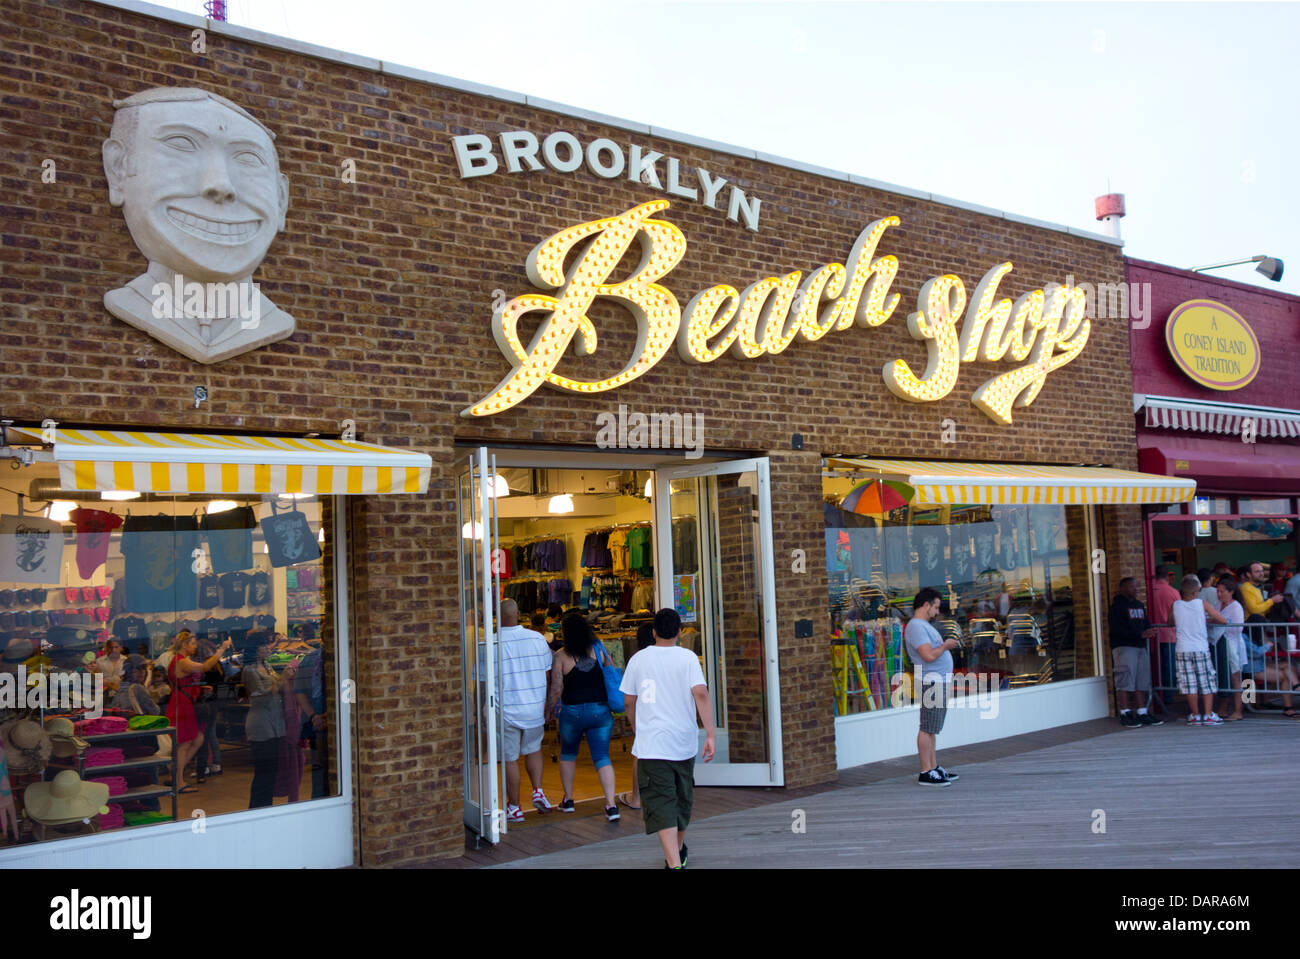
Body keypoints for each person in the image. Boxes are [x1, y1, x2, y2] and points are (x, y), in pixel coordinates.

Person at [100, 87, 294, 364]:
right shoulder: (130, 303)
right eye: (181, 144)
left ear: (281, 199)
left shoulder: (270, 321)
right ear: (118, 169)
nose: (220, 185)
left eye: (248, 159)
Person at [618, 608, 715, 869]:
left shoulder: (638, 659)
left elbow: (628, 700)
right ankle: (675, 862)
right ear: (680, 632)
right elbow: (701, 694)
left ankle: (676, 854)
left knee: (662, 803)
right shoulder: (688, 658)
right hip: (683, 743)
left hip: (651, 745)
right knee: (682, 801)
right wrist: (710, 734)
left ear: (653, 632)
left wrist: (637, 727)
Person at [547, 613, 618, 821]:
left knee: (568, 754)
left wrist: (550, 710)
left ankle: (568, 800)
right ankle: (611, 805)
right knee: (602, 757)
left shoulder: (560, 656)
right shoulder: (598, 648)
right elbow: (611, 671)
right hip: (600, 711)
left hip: (572, 712)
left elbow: (557, 689)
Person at [496, 599, 555, 821]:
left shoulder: (492, 642)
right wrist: (548, 703)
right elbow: (548, 674)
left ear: (498, 616)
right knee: (533, 748)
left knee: (510, 758)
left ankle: (514, 807)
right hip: (534, 707)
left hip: (507, 708)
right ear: (519, 613)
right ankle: (538, 789)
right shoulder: (537, 638)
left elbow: (483, 682)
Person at [906, 587, 961, 785]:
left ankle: (933, 767)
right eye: (935, 607)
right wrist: (945, 646)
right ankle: (925, 771)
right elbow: (927, 655)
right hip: (931, 680)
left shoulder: (922, 626)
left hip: (938, 680)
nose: (937, 612)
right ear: (926, 605)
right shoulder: (916, 627)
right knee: (927, 726)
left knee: (933, 728)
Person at [165, 630, 232, 792]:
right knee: (185, 742)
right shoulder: (181, 662)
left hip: (185, 700)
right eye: (193, 643)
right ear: (184, 645)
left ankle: (175, 774)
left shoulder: (180, 661)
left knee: (198, 739)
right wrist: (221, 650)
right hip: (183, 703)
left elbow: (183, 682)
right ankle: (179, 782)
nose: (195, 647)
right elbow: (205, 667)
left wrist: (199, 689)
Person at [1171, 574, 1227, 725]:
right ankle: (1208, 715)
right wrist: (1206, 619)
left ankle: (1195, 715)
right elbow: (1222, 619)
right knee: (1206, 682)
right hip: (1200, 648)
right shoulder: (1202, 604)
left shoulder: (1176, 605)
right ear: (1196, 592)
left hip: (1182, 649)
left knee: (1189, 684)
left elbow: (1169, 621)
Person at [1107, 577, 1161, 728]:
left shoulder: (1139, 605)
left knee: (1141, 680)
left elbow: (1145, 624)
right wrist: (1140, 635)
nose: (1135, 590)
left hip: (1140, 647)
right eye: (1132, 587)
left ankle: (1142, 711)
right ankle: (1125, 712)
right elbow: (1117, 630)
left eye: (1136, 587)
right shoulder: (1116, 607)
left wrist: (1149, 631)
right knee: (1124, 680)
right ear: (1123, 588)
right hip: (1124, 647)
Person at [241, 632, 286, 808]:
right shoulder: (249, 670)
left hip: (275, 723)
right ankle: (257, 809)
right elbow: (259, 697)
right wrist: (280, 683)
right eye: (264, 645)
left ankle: (266, 808)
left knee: (271, 773)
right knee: (263, 773)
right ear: (256, 649)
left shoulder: (267, 666)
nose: (268, 648)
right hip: (261, 726)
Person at [617, 623, 657, 811]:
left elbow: (628, 700)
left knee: (640, 755)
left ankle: (636, 798)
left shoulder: (637, 659)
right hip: (672, 716)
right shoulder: (677, 655)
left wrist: (633, 724)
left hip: (647, 715)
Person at [1213, 576, 1246, 721]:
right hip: (1220, 644)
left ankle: (1238, 710)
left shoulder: (1236, 606)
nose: (1219, 594)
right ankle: (1224, 707)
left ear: (1231, 592)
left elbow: (1237, 628)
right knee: (1224, 676)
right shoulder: (1217, 605)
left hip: (1232, 644)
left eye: (1222, 591)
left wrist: (1218, 622)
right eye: (1218, 591)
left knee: (1235, 677)